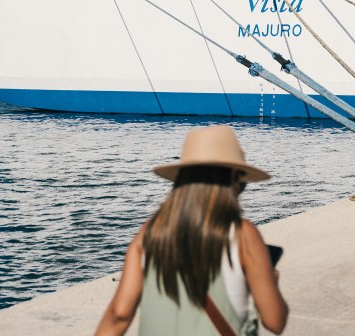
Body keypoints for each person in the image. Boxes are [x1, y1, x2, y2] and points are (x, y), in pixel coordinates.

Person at [94, 125, 289, 335]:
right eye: (241, 184)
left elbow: (119, 316)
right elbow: (275, 322)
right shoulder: (242, 234)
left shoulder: (149, 233)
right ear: (232, 181)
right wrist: (270, 282)